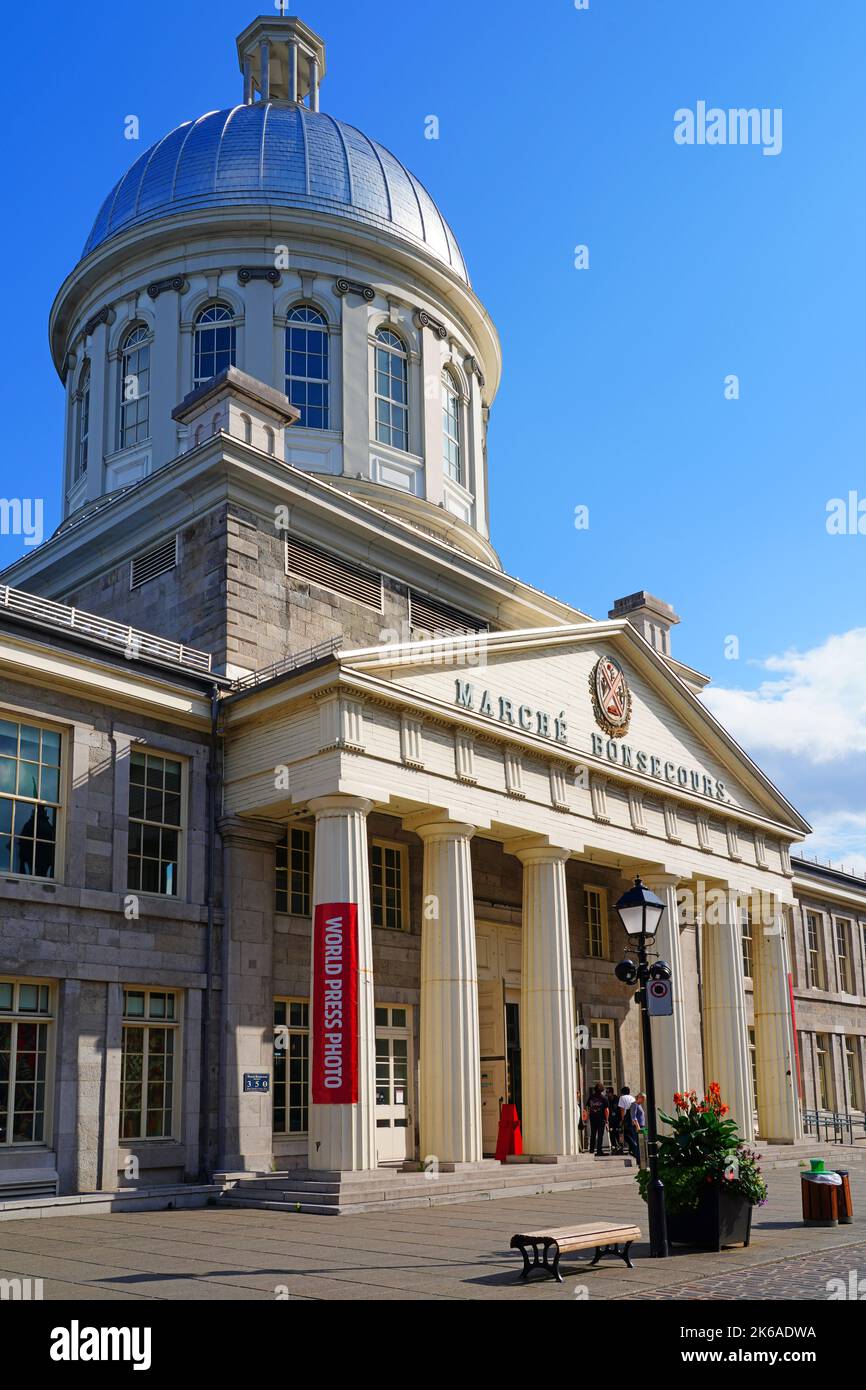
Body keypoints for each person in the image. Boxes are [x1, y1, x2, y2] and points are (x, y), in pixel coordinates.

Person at [586, 1082, 609, 1156]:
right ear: (602, 1090)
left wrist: (588, 1115)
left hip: (593, 1118)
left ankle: (591, 1150)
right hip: (601, 1119)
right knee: (600, 1135)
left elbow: (587, 1107)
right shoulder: (604, 1098)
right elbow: (606, 1110)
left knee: (593, 1134)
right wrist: (607, 1119)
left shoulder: (591, 1097)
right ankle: (599, 1151)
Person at [618, 1086, 638, 1160]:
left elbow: (622, 1109)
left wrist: (622, 1120)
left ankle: (634, 1148)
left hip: (627, 1117)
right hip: (633, 1117)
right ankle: (631, 1150)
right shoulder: (632, 1098)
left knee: (626, 1135)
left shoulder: (622, 1098)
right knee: (632, 1134)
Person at [631, 1092, 647, 1168]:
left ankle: (641, 1159)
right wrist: (638, 1127)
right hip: (638, 1127)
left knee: (641, 1143)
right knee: (638, 1143)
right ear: (639, 1097)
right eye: (643, 1099)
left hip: (641, 1126)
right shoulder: (634, 1104)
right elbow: (633, 1117)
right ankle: (639, 1160)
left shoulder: (639, 1105)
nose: (644, 1101)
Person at [606, 1086, 621, 1153]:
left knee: (617, 1132)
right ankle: (613, 1145)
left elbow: (620, 1109)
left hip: (617, 1119)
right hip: (610, 1120)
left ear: (612, 1093)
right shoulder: (606, 1100)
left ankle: (619, 1145)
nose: (607, 1094)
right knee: (611, 1132)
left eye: (608, 1092)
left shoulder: (617, 1099)